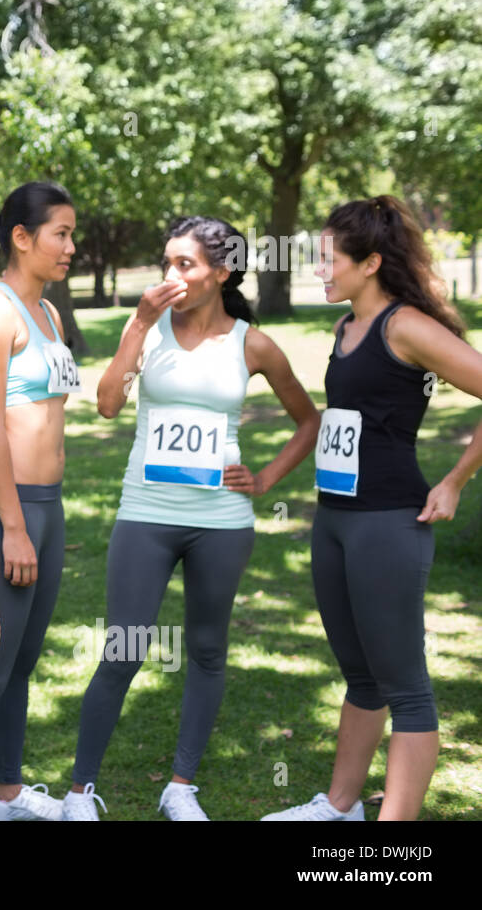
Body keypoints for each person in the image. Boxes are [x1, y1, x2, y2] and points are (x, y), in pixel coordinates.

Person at [63, 216, 320, 821]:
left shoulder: (251, 343)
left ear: (221, 272)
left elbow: (309, 420)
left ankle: (180, 786)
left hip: (222, 521)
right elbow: (106, 404)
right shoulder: (150, 331)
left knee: (207, 651)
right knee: (123, 650)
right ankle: (79, 793)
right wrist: (138, 323)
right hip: (145, 513)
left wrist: (263, 480)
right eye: (167, 263)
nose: (172, 275)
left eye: (187, 264)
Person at [262, 196, 482, 822]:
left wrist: (456, 480)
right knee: (360, 677)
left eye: (329, 261)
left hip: (389, 522)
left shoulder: (405, 326)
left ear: (371, 263)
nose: (319, 272)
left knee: (405, 688)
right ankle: (339, 807)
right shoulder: (345, 326)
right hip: (333, 520)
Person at [0, 181, 80, 820]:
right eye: (60, 234)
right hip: (11, 511)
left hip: (50, 507)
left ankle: (5, 793)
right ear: (21, 237)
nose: (71, 247)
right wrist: (11, 525)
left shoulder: (49, 315)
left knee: (22, 661)